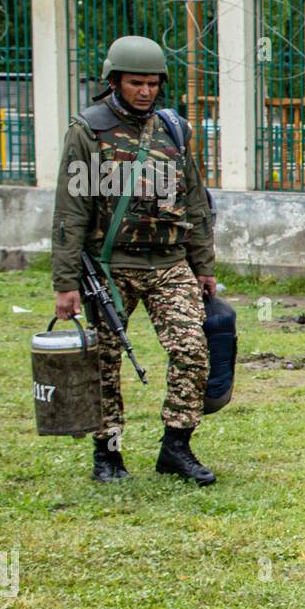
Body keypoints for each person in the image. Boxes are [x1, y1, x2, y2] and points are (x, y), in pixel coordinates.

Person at [50, 35, 217, 486]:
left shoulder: (173, 130)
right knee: (103, 361)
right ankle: (108, 454)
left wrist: (203, 266)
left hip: (168, 262)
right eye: (134, 83)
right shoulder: (89, 130)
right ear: (114, 82)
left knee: (192, 349)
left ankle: (176, 447)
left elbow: (196, 202)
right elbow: (71, 210)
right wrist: (65, 282)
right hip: (109, 265)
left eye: (151, 84)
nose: (144, 92)